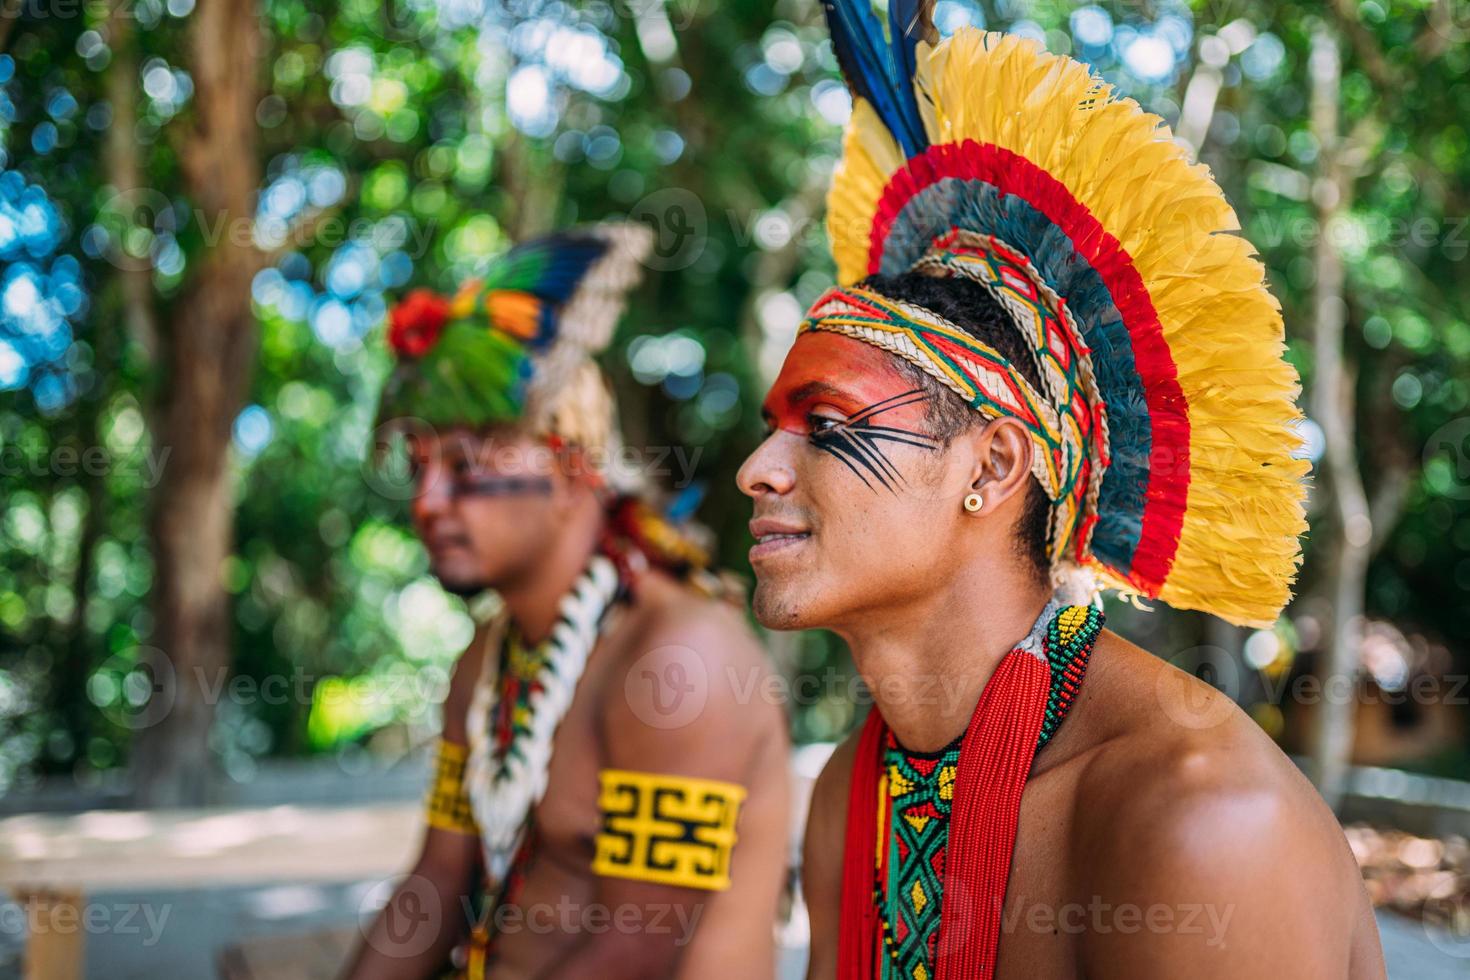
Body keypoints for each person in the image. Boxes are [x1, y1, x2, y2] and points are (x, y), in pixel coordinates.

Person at [736, 7, 1386, 979]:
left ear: (994, 467)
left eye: (828, 426)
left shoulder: (1196, 819)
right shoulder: (855, 788)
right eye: (771, 428)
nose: (759, 470)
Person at [343, 223, 790, 980]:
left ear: (573, 463)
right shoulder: (489, 659)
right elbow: (435, 884)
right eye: (418, 466)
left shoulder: (680, 662)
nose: (427, 501)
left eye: (465, 462)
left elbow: (638, 953)